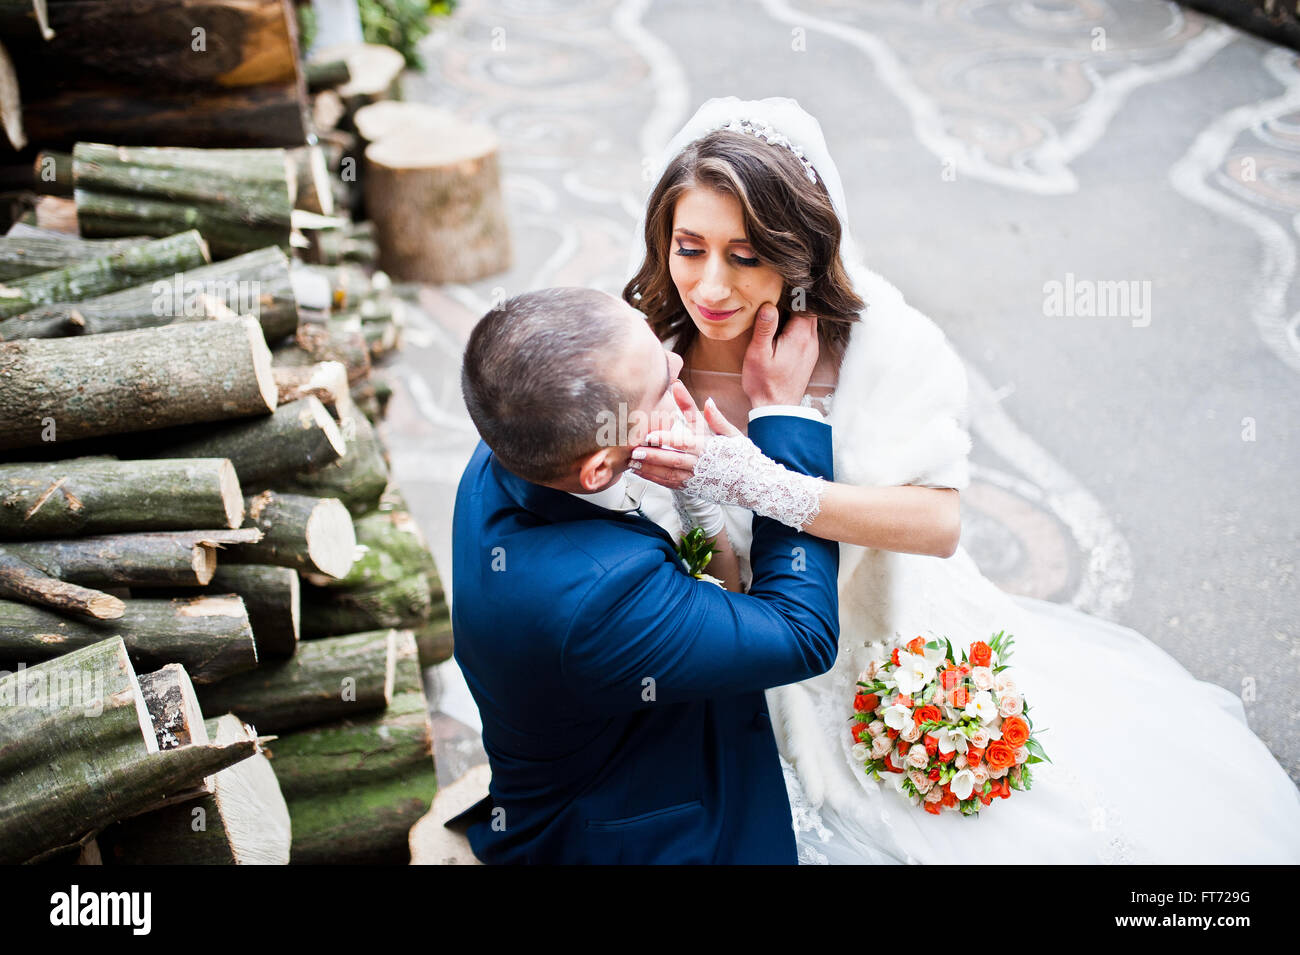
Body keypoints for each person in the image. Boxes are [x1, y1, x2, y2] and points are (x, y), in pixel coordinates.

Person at [621, 96, 1300, 864]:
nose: (711, 285)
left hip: (893, 642)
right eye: (689, 248)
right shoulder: (647, 362)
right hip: (755, 670)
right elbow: (725, 590)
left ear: (799, 248)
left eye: (745, 256)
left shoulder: (884, 344)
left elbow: (939, 526)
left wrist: (762, 478)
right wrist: (704, 501)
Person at [449, 285, 843, 864]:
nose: (679, 361)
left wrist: (700, 509)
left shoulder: (515, 432)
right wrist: (778, 444)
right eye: (661, 382)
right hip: (633, 830)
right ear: (598, 468)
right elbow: (803, 636)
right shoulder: (594, 601)